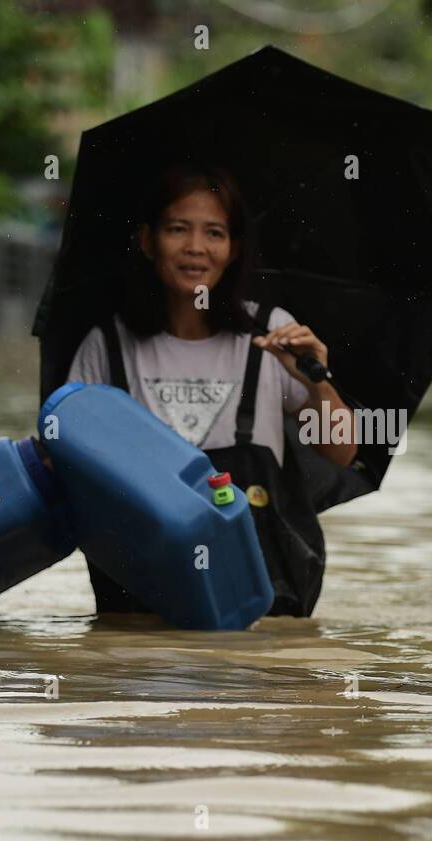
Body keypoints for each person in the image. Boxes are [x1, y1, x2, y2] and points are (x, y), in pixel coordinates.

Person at [67, 163, 356, 617]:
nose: (195, 248)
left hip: (261, 605)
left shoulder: (275, 335)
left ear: (233, 248)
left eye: (215, 233)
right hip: (140, 603)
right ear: (147, 240)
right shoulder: (106, 346)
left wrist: (316, 382)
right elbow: (67, 463)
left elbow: (341, 453)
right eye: (178, 229)